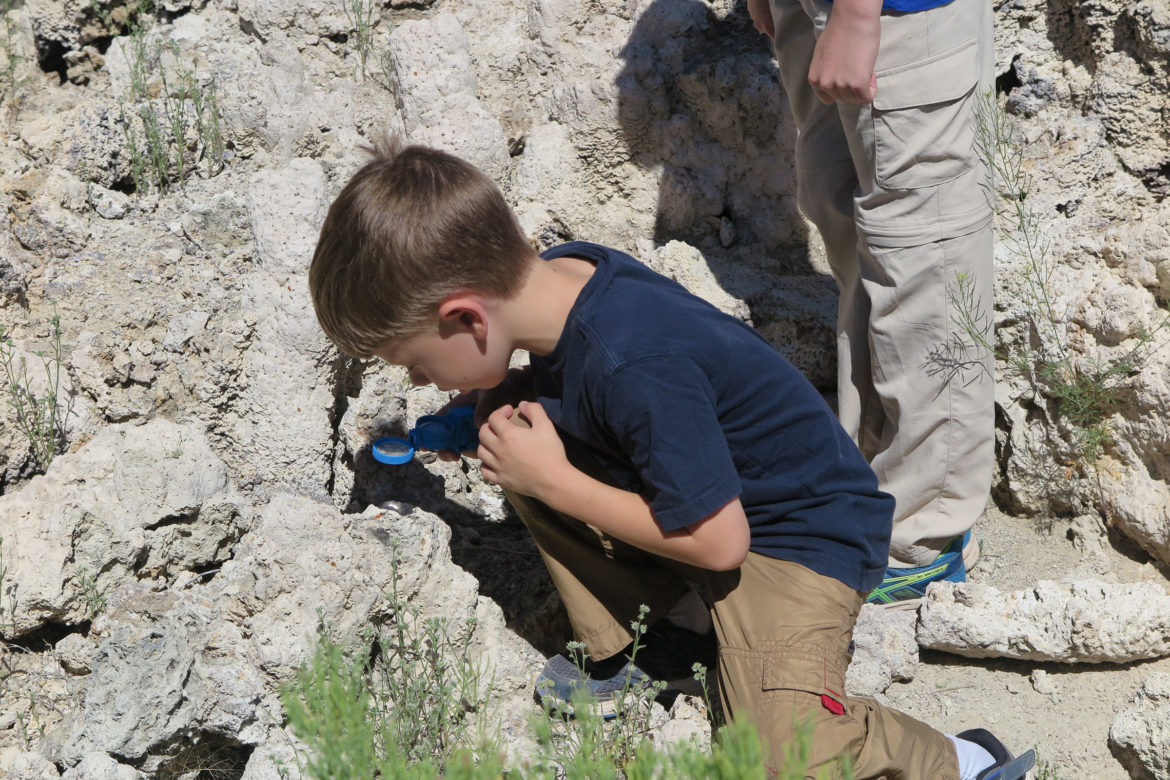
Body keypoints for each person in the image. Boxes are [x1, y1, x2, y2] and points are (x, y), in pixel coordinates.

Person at [308, 139, 1031, 779]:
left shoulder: (634, 362)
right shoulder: (560, 277)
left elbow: (721, 542)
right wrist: (496, 406)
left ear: (466, 317)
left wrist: (554, 478)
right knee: (511, 433)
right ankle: (657, 642)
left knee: (776, 758)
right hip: (717, 510)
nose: (416, 381)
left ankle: (959, 761)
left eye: (413, 361)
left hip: (799, 542)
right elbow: (572, 398)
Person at [745, 0, 996, 606]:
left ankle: (923, 538)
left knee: (921, 253)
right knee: (854, 231)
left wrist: (858, 11)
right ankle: (869, 487)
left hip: (895, 13)